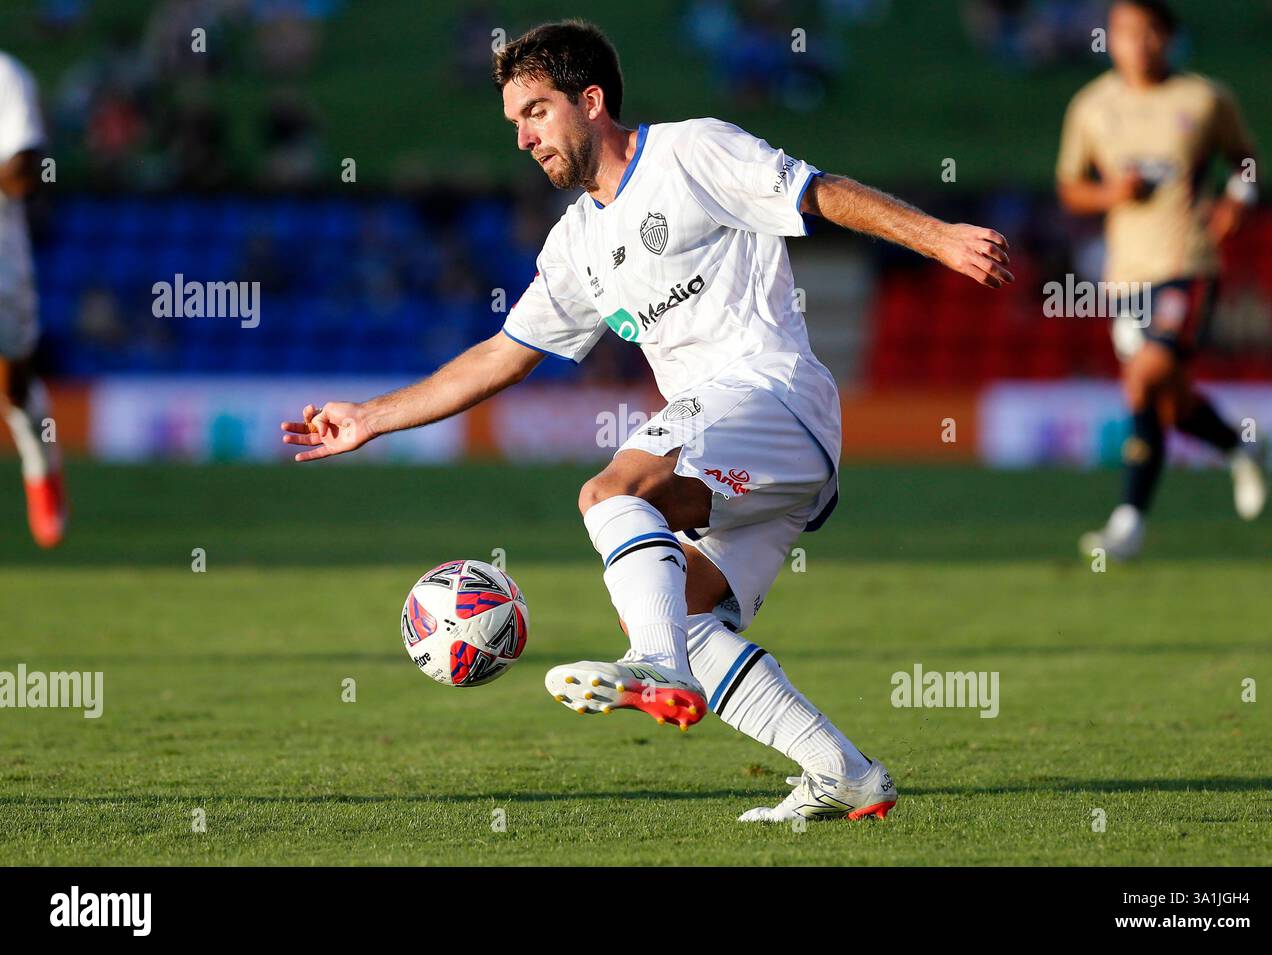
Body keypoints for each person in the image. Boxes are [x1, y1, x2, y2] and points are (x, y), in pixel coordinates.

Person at [282, 20, 1013, 822]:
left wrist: (936, 237)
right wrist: (371, 418)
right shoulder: (577, 243)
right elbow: (504, 353)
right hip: (748, 453)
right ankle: (843, 772)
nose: (523, 138)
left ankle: (656, 667)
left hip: (771, 393)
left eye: (534, 112)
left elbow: (818, 191)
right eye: (513, 123)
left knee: (611, 494)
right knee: (691, 609)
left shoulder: (692, 152)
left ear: (591, 101)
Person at [1057, 0, 1267, 561]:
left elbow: (1244, 160)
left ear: (1169, 37)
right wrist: (1112, 195)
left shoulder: (1204, 97)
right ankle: (1239, 447)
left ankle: (1128, 524)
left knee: (1145, 377)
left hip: (1190, 262)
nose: (1139, 43)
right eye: (1126, 32)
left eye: (1151, 32)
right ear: (1111, 38)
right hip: (1126, 274)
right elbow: (1070, 187)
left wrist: (1237, 199)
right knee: (1166, 402)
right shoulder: (1092, 106)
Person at [0, 50, 66, 548]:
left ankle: (41, 461)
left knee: (13, 386)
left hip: (3, 256)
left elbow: (26, 171)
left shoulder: (7, 76)